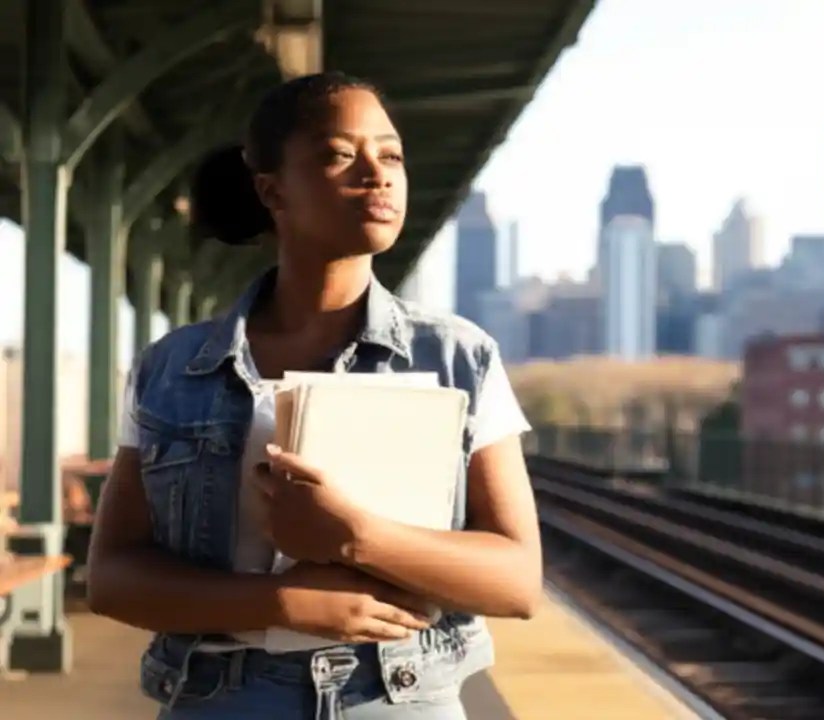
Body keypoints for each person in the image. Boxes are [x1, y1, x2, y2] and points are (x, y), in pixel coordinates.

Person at [86, 71, 541, 719]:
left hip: (398, 699)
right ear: (272, 189)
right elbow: (113, 578)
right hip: (218, 700)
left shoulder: (459, 357)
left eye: (391, 155)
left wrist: (358, 538)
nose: (377, 174)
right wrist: (280, 604)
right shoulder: (171, 368)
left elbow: (518, 581)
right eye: (339, 154)